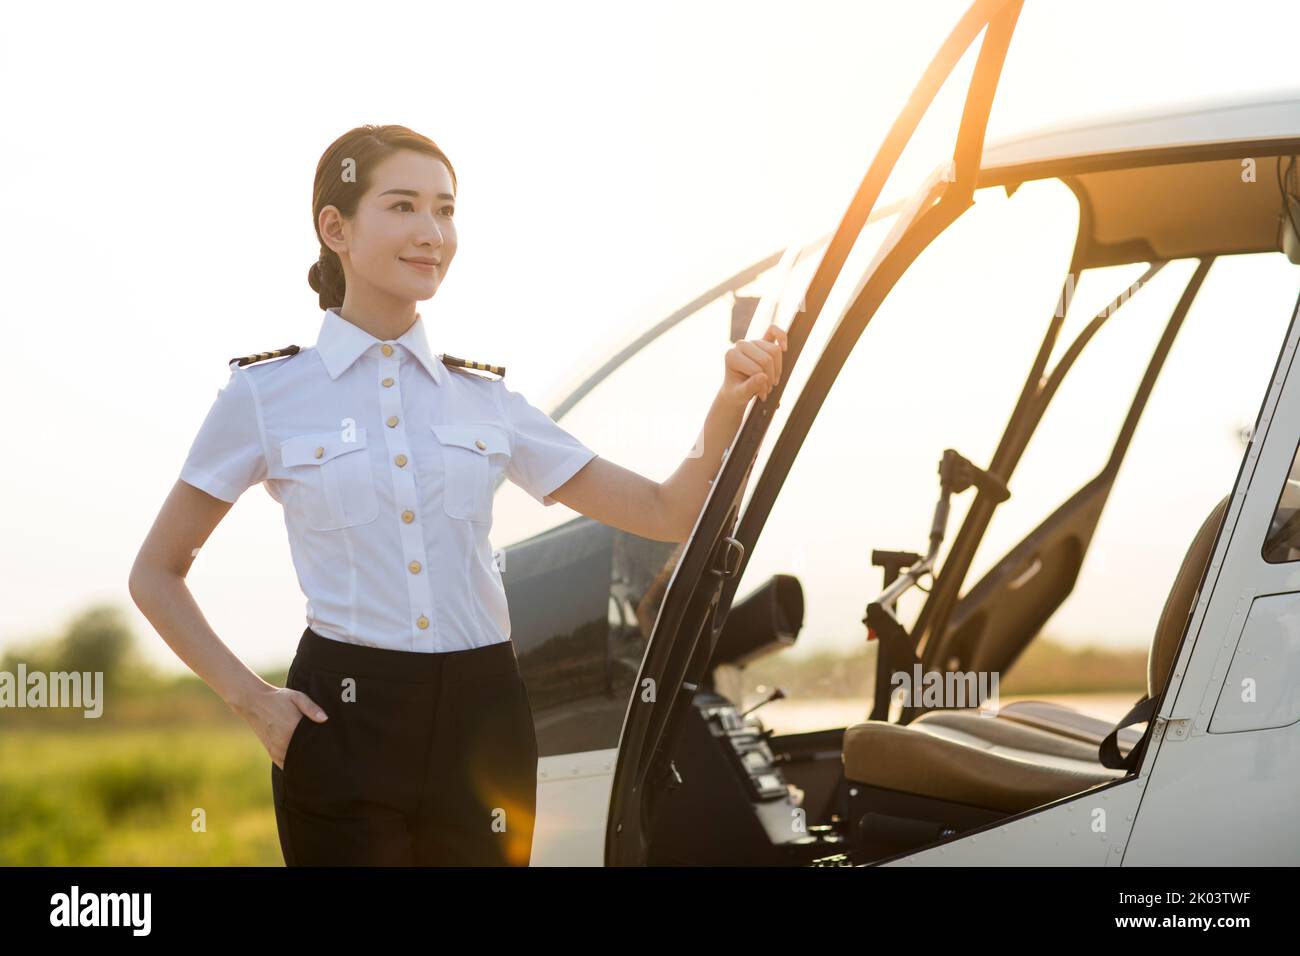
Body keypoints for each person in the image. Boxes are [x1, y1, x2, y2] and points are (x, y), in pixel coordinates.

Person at [128, 123, 788, 867]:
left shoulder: (485, 400)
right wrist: (252, 700)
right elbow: (156, 572)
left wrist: (726, 407)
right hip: (343, 718)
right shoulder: (265, 396)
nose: (432, 232)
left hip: (486, 720)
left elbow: (665, 511)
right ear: (334, 228)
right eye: (404, 206)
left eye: (445, 210)